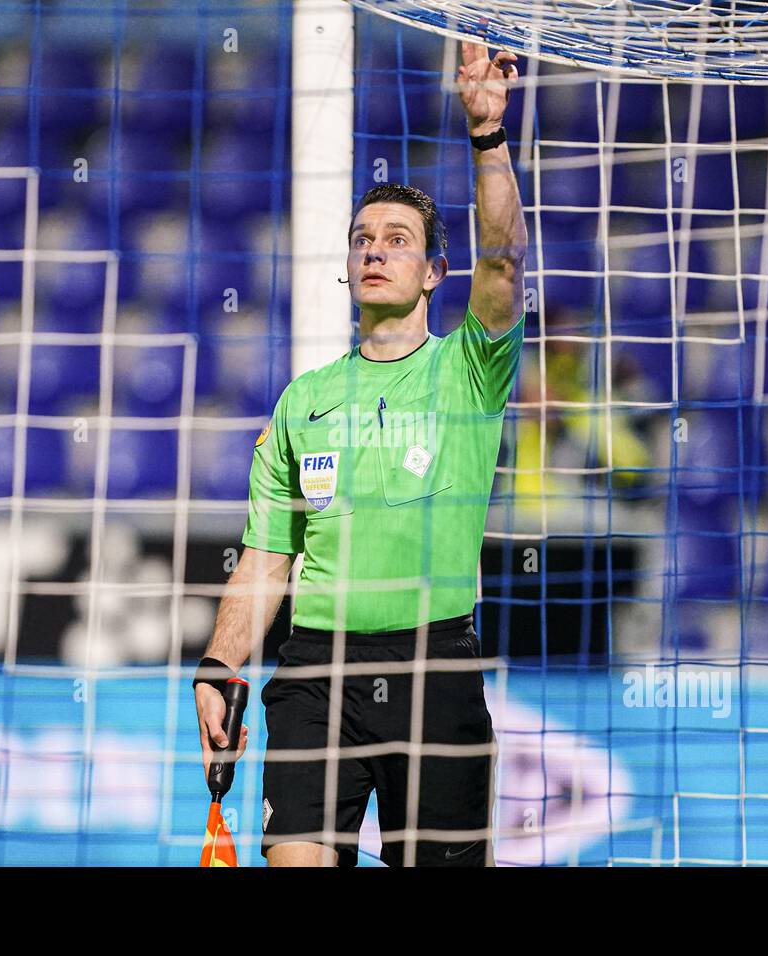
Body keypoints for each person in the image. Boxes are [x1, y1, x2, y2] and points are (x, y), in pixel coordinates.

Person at [193, 41, 527, 867]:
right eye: (361, 239)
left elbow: (506, 260)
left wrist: (487, 138)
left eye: (397, 239)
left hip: (434, 666)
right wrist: (220, 664)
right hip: (315, 669)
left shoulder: (467, 369)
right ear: (347, 268)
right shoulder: (301, 402)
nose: (374, 250)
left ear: (434, 271)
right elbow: (268, 556)